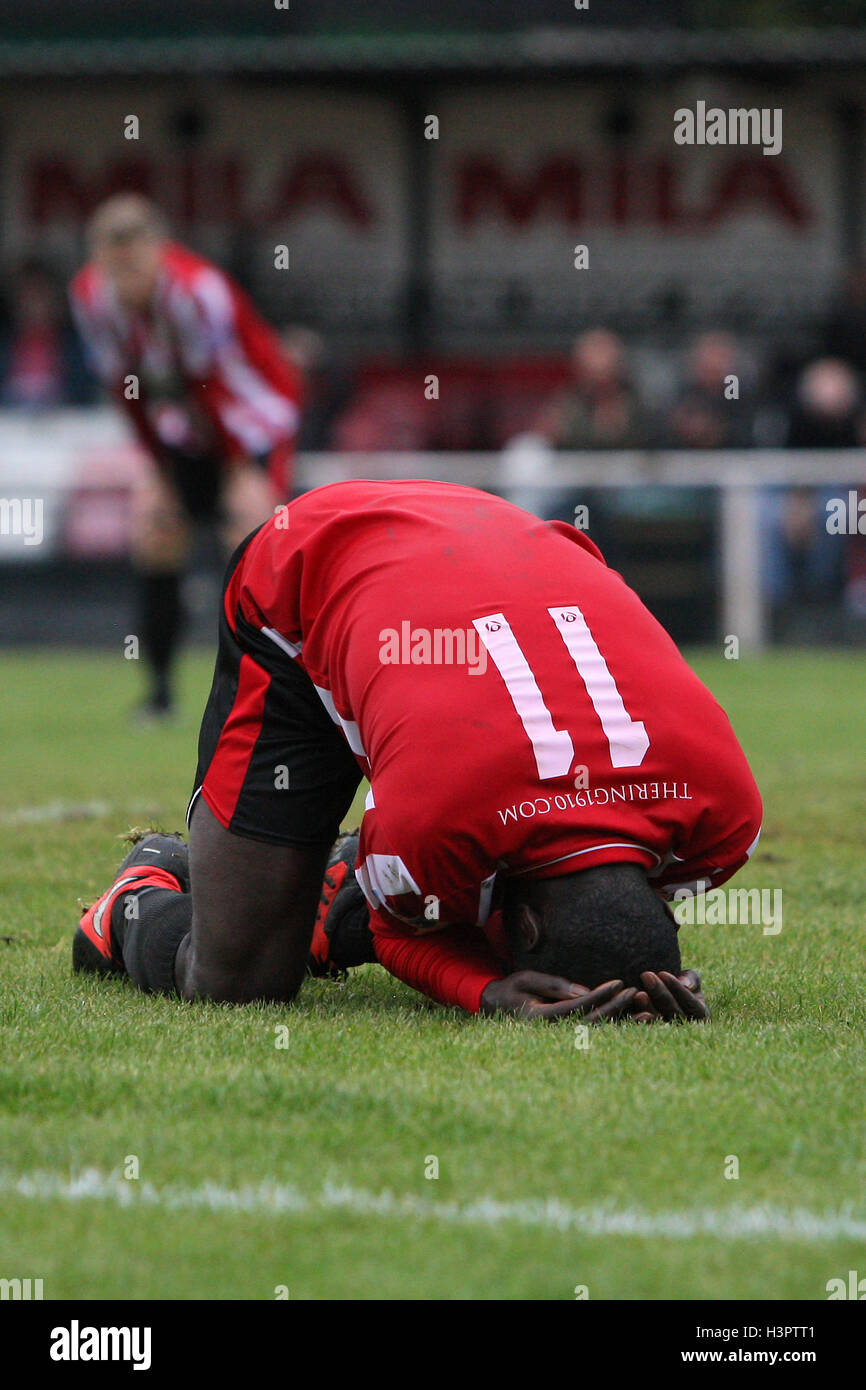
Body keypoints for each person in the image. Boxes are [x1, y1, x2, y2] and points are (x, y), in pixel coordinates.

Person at [74, 480, 762, 1022]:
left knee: (433, 884)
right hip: (309, 565)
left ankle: (337, 880)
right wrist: (483, 989)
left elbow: (593, 906)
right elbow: (397, 930)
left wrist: (632, 967)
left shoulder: (728, 814)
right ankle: (136, 892)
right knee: (237, 980)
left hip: (507, 543)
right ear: (518, 926)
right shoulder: (444, 813)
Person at [70, 194, 304, 718]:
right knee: (156, 530)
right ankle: (159, 693)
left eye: (136, 264)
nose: (127, 281)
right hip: (185, 423)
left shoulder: (198, 292)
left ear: (160, 251)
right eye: (116, 266)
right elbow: (125, 390)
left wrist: (240, 466)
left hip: (253, 420)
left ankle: (271, 695)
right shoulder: (90, 297)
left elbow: (214, 385)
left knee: (248, 539)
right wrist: (157, 464)